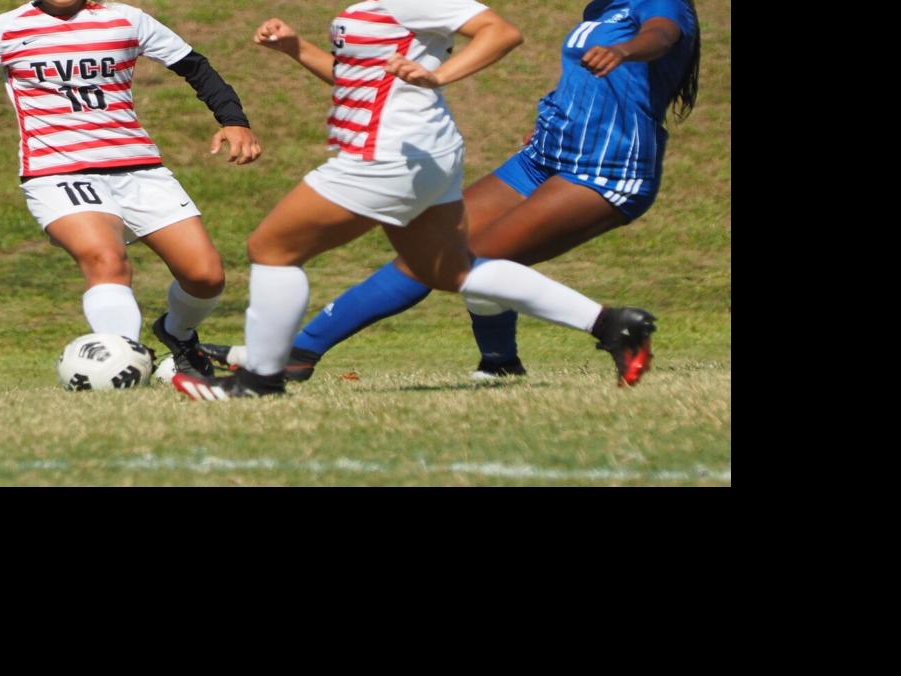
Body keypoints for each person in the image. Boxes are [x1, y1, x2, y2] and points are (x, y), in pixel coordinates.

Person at [173, 1, 656, 400]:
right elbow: (358, 77)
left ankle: (259, 380)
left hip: (385, 154)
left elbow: (500, 32)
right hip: (421, 153)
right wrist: (296, 49)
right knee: (452, 272)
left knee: (272, 247)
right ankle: (614, 325)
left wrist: (440, 76)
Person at [0, 0, 263, 376]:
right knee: (106, 260)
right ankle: (126, 366)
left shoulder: (125, 19)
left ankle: (177, 334)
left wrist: (233, 119)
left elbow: (192, 64)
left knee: (205, 276)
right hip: (58, 172)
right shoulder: (3, 29)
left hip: (140, 169)